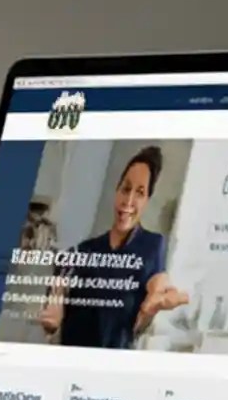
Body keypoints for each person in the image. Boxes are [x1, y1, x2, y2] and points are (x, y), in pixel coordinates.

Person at [38, 146, 189, 349]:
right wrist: (53, 320)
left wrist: (155, 302)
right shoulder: (84, 252)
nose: (128, 201)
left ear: (147, 201)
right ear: (116, 191)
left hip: (111, 364)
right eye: (125, 189)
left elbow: (156, 285)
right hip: (71, 363)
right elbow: (55, 309)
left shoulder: (151, 246)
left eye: (140, 193)